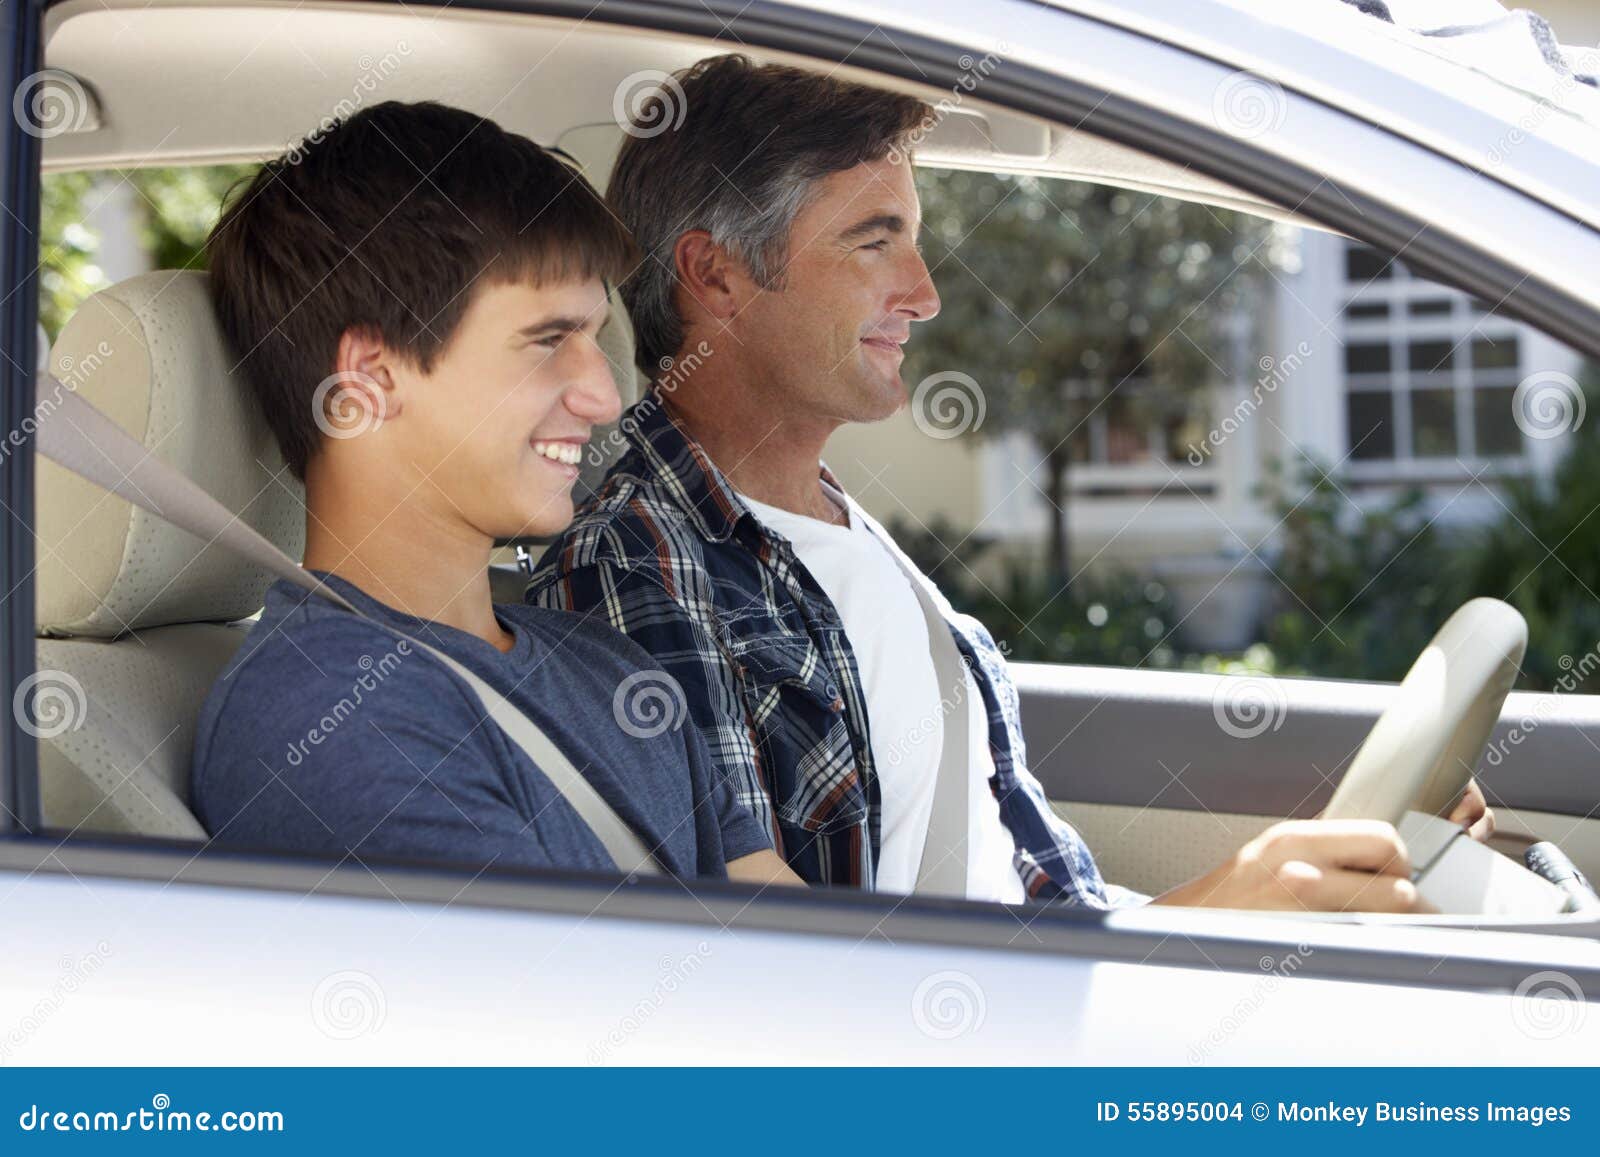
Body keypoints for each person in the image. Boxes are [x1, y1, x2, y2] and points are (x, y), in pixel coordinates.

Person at [527, 56, 1490, 910]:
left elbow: (1044, 908)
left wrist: (1269, 895)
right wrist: (1233, 915)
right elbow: (777, 969)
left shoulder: (851, 541)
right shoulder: (637, 563)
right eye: (875, 240)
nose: (925, 290)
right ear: (717, 275)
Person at [191, 100, 797, 888]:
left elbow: (789, 940)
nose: (605, 397)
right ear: (372, 379)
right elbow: (581, 1008)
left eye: (593, 337)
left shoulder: (605, 665)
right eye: (548, 341)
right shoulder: (333, 717)